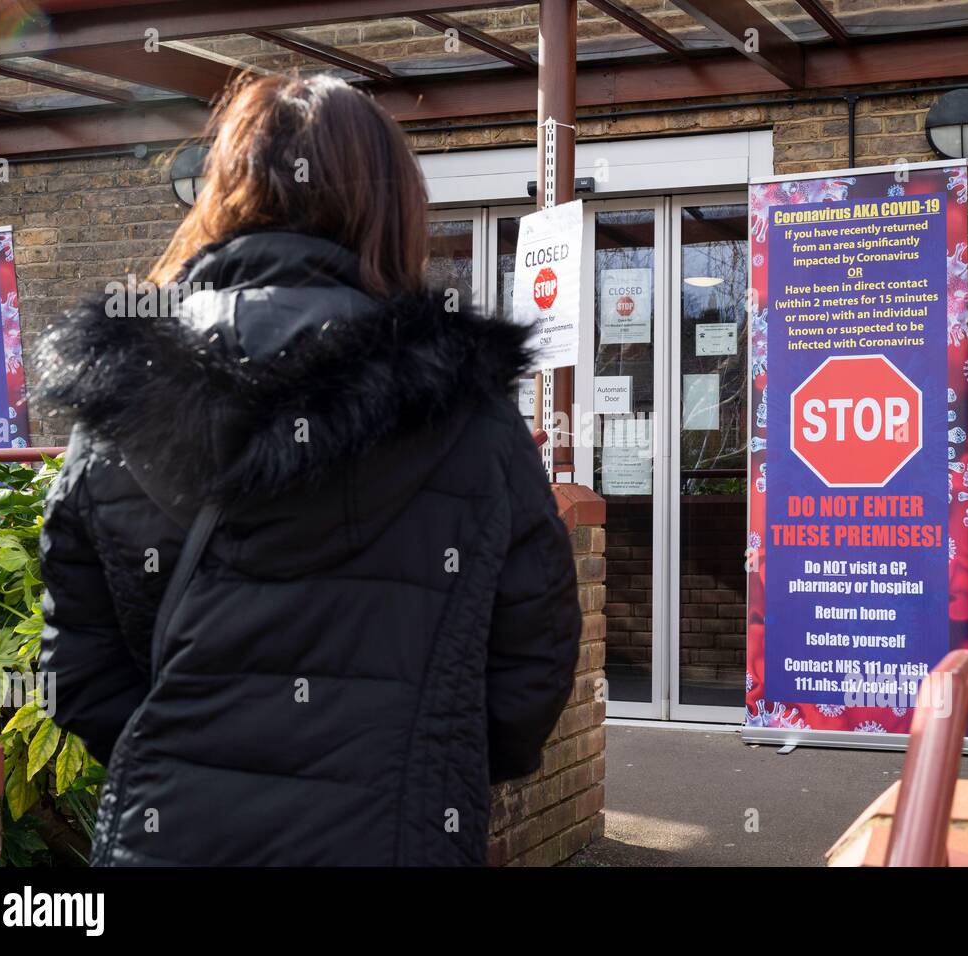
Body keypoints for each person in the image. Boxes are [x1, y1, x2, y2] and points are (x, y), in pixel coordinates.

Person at [36, 73, 581, 866]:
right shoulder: (471, 418)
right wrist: (430, 765)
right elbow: (533, 661)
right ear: (391, 206)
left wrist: (184, 746)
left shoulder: (123, 402)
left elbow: (76, 664)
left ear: (223, 193)